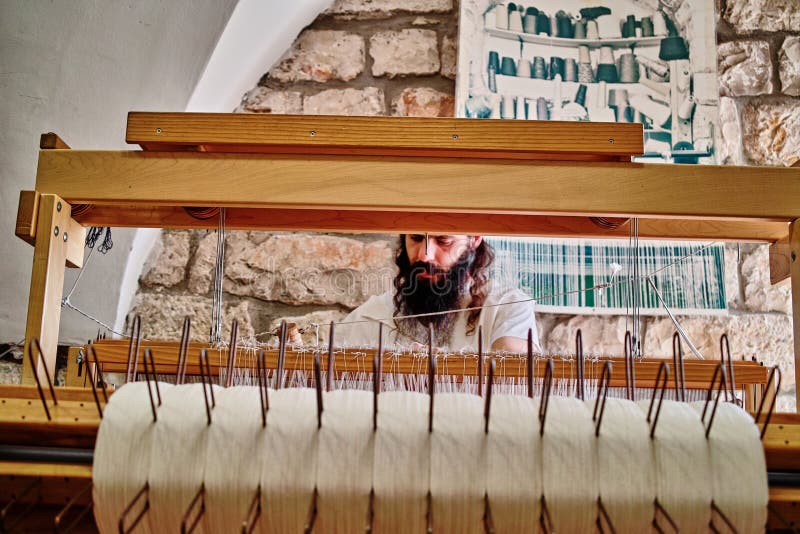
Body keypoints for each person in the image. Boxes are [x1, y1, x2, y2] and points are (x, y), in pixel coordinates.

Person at [335, 234, 541, 352]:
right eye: (415, 238)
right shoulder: (372, 314)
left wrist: (448, 369)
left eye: (443, 240)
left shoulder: (508, 307)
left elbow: (516, 383)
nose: (425, 255)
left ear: (474, 239)